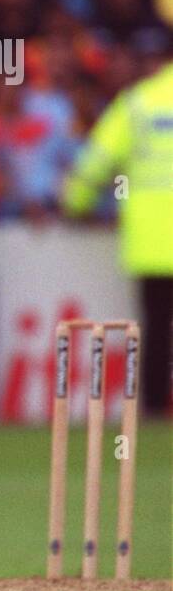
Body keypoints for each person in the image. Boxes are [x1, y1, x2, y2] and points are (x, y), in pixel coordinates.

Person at [62, 56, 173, 416]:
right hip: (151, 238)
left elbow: (97, 159)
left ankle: (155, 410)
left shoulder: (139, 103)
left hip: (152, 239)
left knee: (156, 329)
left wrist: (74, 203)